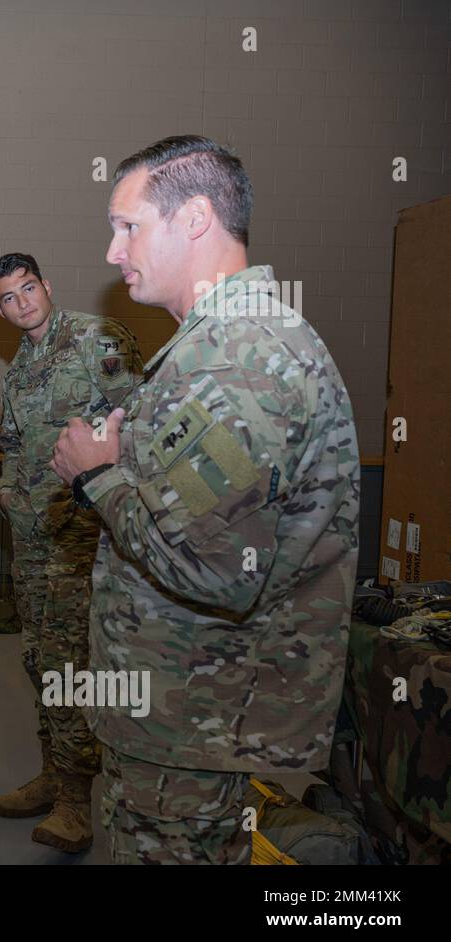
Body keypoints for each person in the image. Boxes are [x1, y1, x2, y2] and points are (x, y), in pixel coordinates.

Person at [51, 135, 360, 864]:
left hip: (190, 716)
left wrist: (98, 476)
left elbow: (217, 570)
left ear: (194, 219)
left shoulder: (231, 360)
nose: (112, 251)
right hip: (196, 707)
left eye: (127, 226)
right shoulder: (235, 342)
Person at [0, 252, 143, 853]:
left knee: (70, 666)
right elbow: (10, 438)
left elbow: (140, 418)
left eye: (28, 288)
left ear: (46, 286)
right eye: (8, 297)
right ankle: (55, 775)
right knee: (38, 658)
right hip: (30, 536)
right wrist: (5, 488)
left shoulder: (94, 338)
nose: (22, 302)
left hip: (82, 535)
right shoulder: (19, 366)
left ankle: (77, 803)